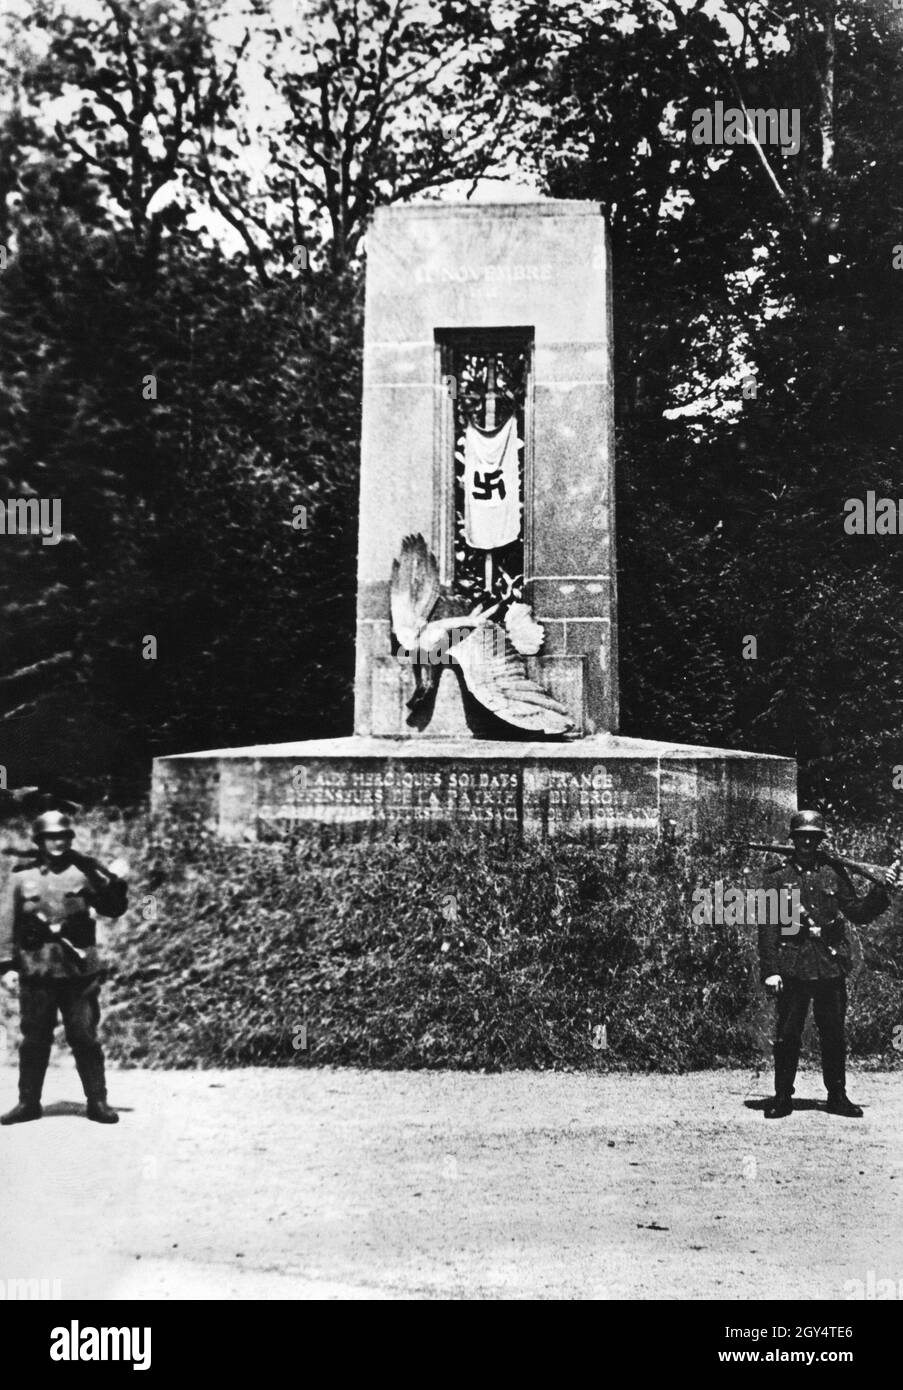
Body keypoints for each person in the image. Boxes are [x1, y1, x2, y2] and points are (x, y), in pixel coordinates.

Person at [757, 809, 898, 1120]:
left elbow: (858, 913)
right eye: (802, 837)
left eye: (813, 837)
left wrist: (881, 889)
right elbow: (767, 928)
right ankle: (782, 1097)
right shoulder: (777, 877)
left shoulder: (834, 873)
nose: (807, 842)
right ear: (793, 840)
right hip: (792, 965)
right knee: (788, 1034)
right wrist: (770, 971)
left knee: (833, 1033)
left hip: (830, 964)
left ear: (820, 841)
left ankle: (837, 1096)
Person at [0, 810, 128, 1125]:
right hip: (36, 971)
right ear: (40, 842)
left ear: (69, 840)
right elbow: (6, 923)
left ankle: (97, 1102)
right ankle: (29, 1103)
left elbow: (114, 908)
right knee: (34, 1039)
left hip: (78, 972)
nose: (56, 843)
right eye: (49, 838)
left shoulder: (83, 872)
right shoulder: (20, 877)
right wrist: (6, 966)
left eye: (62, 837)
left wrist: (114, 880)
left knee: (84, 1036)